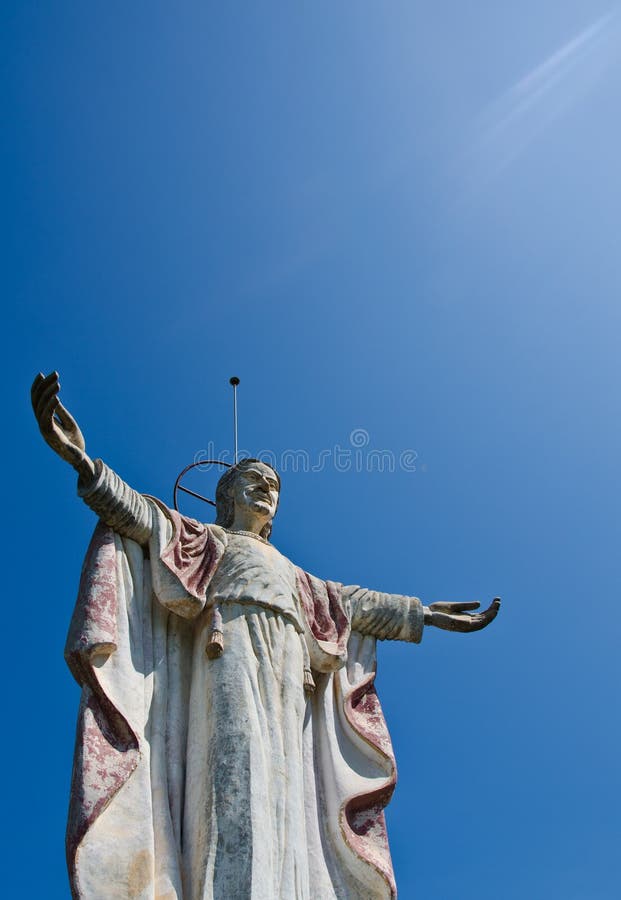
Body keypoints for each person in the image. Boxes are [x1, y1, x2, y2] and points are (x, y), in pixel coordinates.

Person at [31, 371, 500, 900]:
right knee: (235, 768)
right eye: (254, 481)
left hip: (290, 671)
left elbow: (357, 604)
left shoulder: (300, 580)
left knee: (288, 790)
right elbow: (139, 515)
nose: (266, 491)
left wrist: (425, 614)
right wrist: (82, 461)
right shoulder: (207, 540)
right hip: (226, 647)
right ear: (226, 496)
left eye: (273, 486)